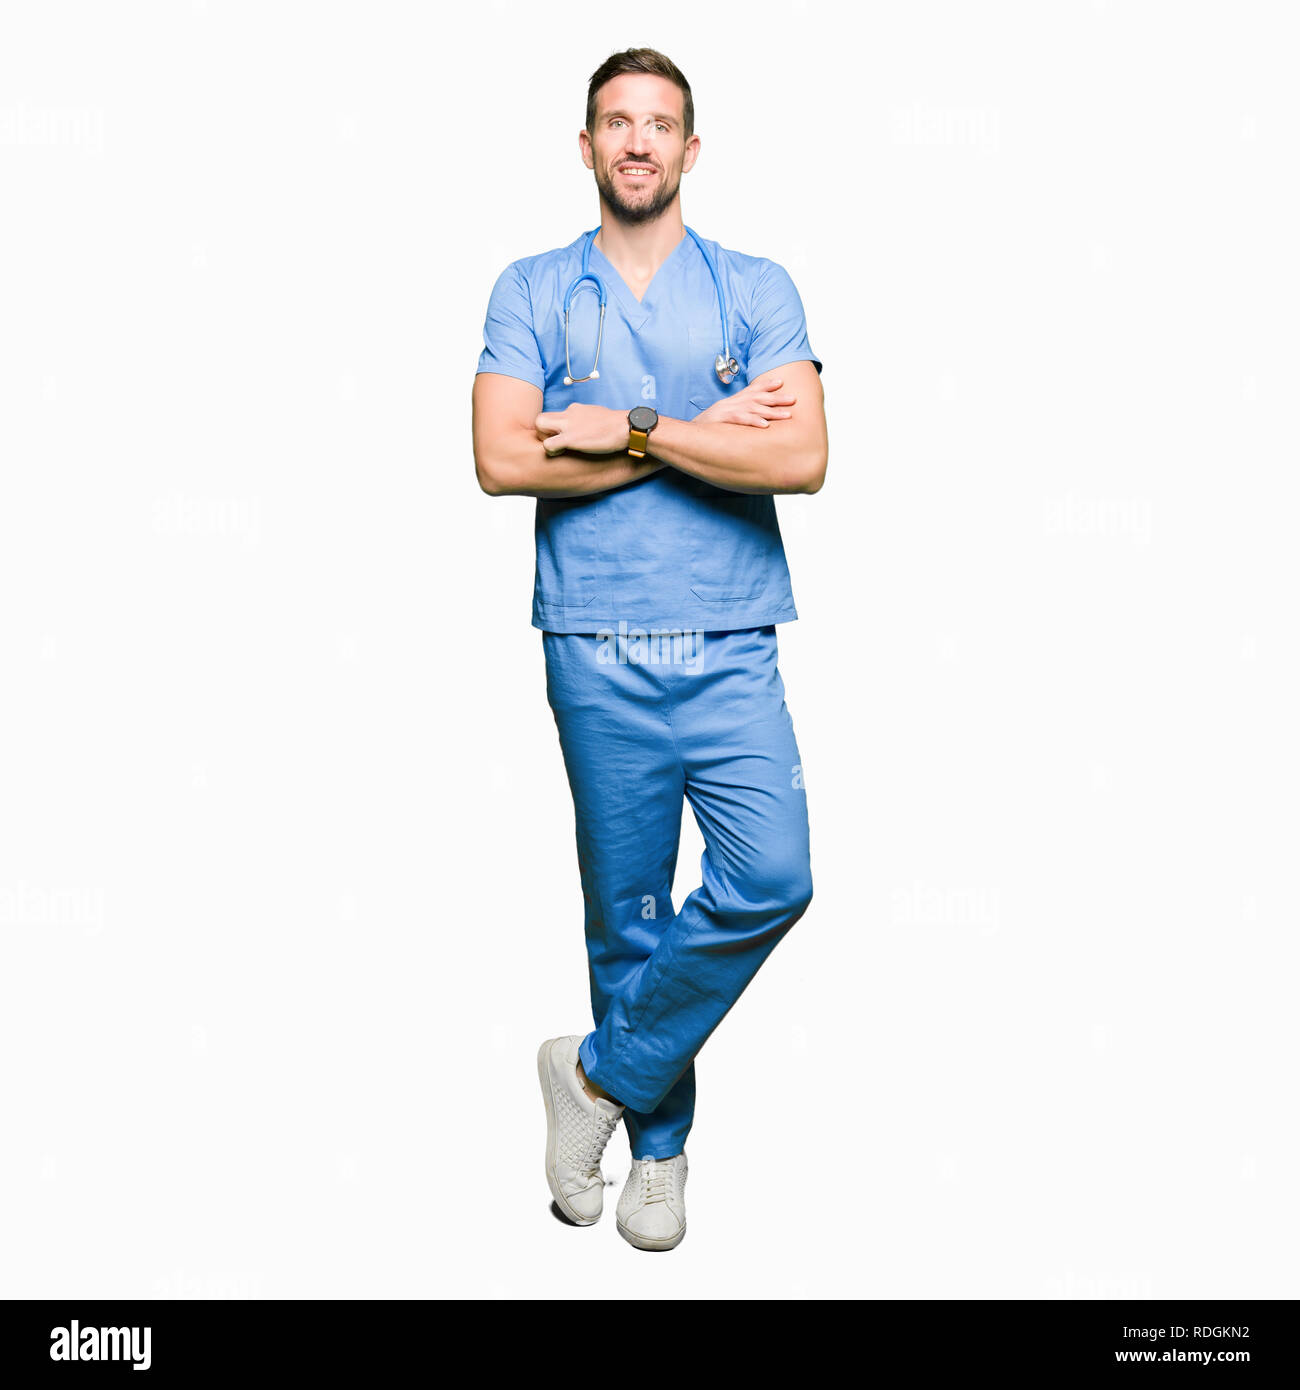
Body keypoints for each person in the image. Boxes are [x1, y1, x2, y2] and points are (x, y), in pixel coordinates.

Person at [473, 47, 827, 1251]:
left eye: (659, 123)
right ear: (585, 146)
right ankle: (660, 1155)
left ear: (690, 149)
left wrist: (621, 426)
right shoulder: (531, 288)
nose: (636, 142)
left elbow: (799, 459)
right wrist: (696, 431)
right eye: (614, 122)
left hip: (728, 634)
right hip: (594, 637)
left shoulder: (755, 287)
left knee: (771, 875)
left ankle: (595, 1078)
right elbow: (501, 458)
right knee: (627, 911)